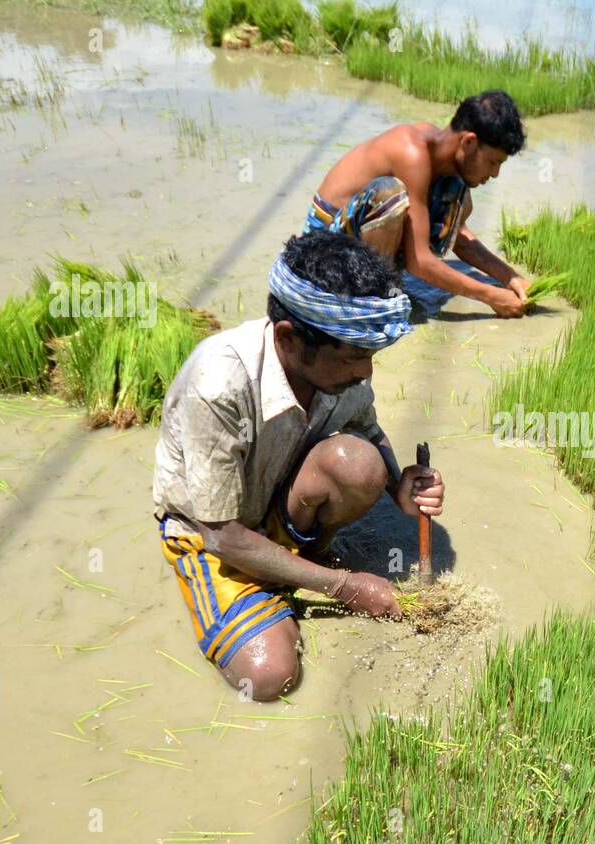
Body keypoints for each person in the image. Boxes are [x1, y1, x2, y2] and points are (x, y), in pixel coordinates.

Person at [151, 230, 444, 701]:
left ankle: (295, 565)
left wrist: (399, 486)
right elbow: (220, 532)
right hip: (212, 531)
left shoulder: (336, 364)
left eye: (369, 357)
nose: (366, 372)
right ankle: (287, 581)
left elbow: (366, 429)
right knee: (270, 679)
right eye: (355, 357)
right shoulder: (219, 383)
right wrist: (343, 586)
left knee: (361, 464)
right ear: (289, 338)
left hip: (278, 499)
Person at [306, 89, 529, 318]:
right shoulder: (412, 153)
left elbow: (459, 238)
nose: (495, 174)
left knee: (459, 194)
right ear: (469, 142)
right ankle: (372, 300)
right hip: (323, 249)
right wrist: (490, 295)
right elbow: (420, 262)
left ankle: (381, 284)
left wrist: (510, 277)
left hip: (356, 244)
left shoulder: (443, 160)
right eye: (493, 162)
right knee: (390, 195)